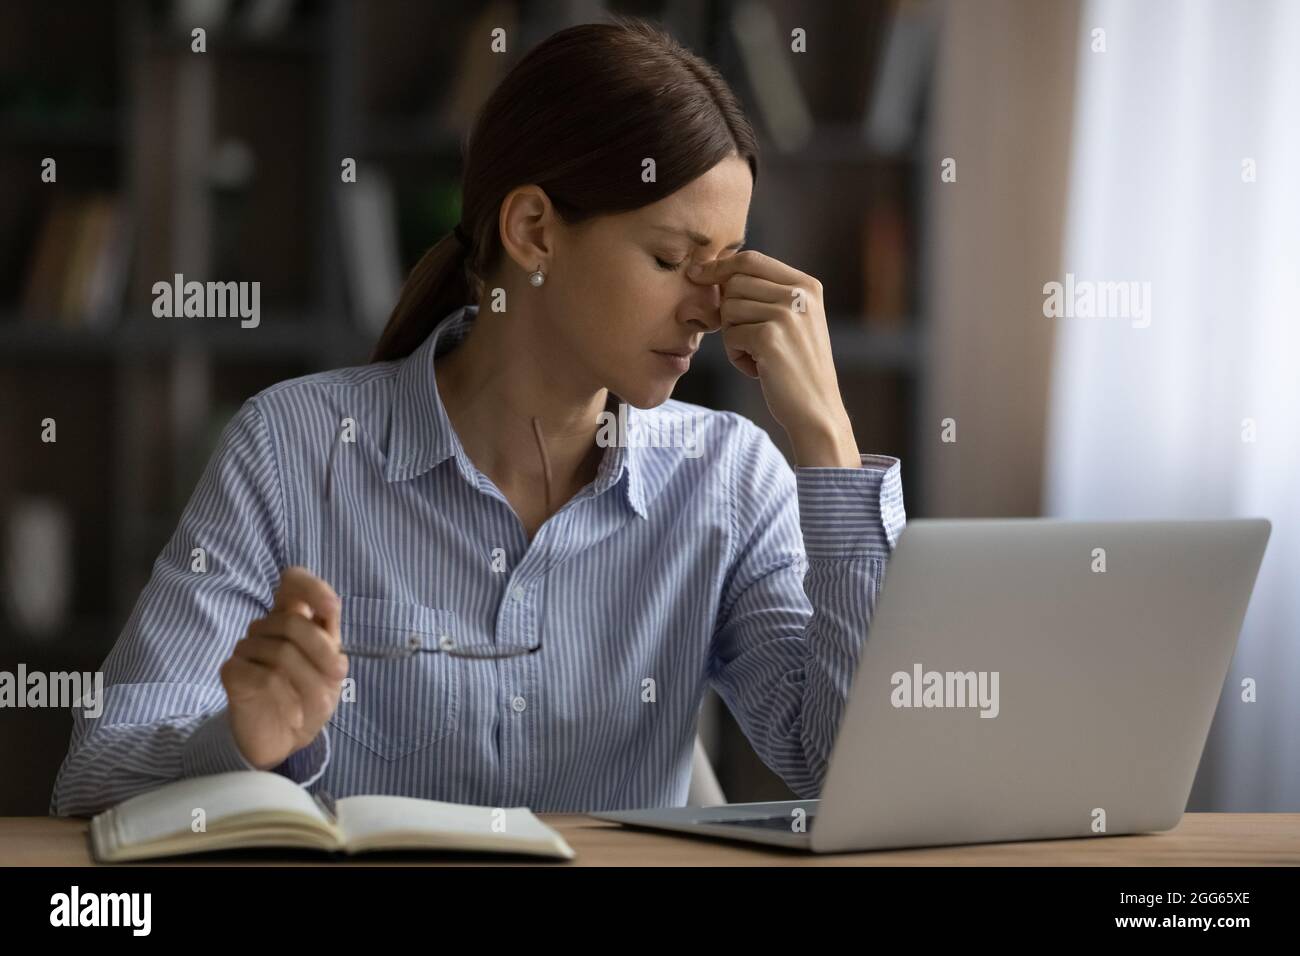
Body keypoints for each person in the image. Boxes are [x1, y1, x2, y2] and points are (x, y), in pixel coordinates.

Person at [51, 15, 905, 817]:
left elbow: (849, 771)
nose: (707, 310)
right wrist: (241, 744)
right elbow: (91, 780)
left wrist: (827, 437)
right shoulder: (294, 449)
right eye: (672, 259)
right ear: (534, 229)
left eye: (723, 270)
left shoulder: (727, 478)